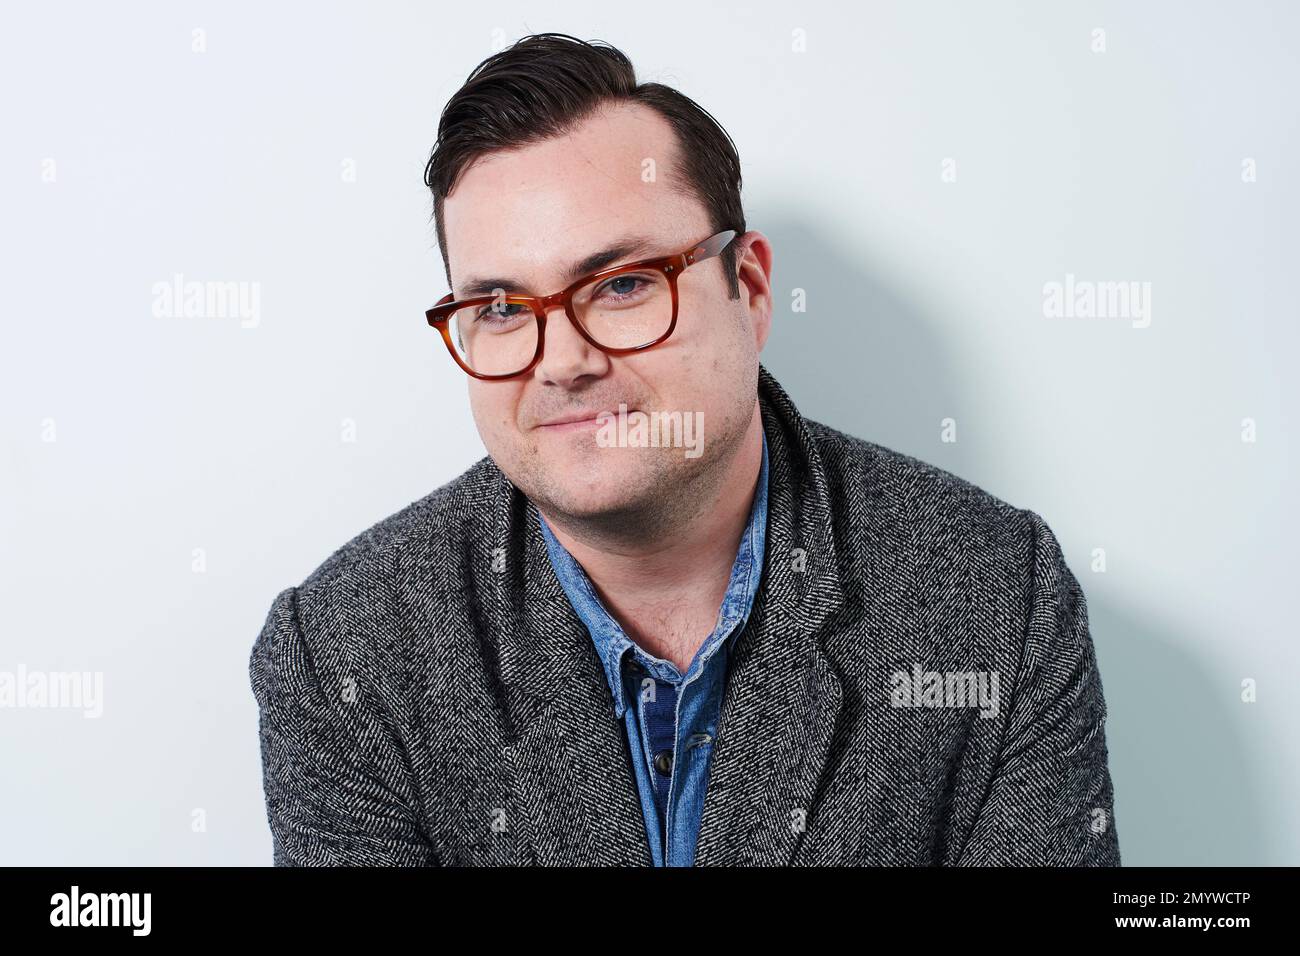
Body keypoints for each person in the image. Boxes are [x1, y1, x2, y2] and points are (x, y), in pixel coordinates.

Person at [249, 33, 1120, 866]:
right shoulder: (343, 656)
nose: (564, 364)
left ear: (748, 290)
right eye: (504, 310)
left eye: (623, 284)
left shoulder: (996, 597)